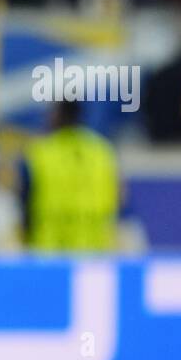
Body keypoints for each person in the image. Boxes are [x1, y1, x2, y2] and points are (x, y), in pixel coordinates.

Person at [17, 98, 120, 252]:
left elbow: (24, 201)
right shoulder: (102, 151)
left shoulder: (39, 153)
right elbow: (119, 198)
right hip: (95, 253)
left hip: (48, 252)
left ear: (57, 115)